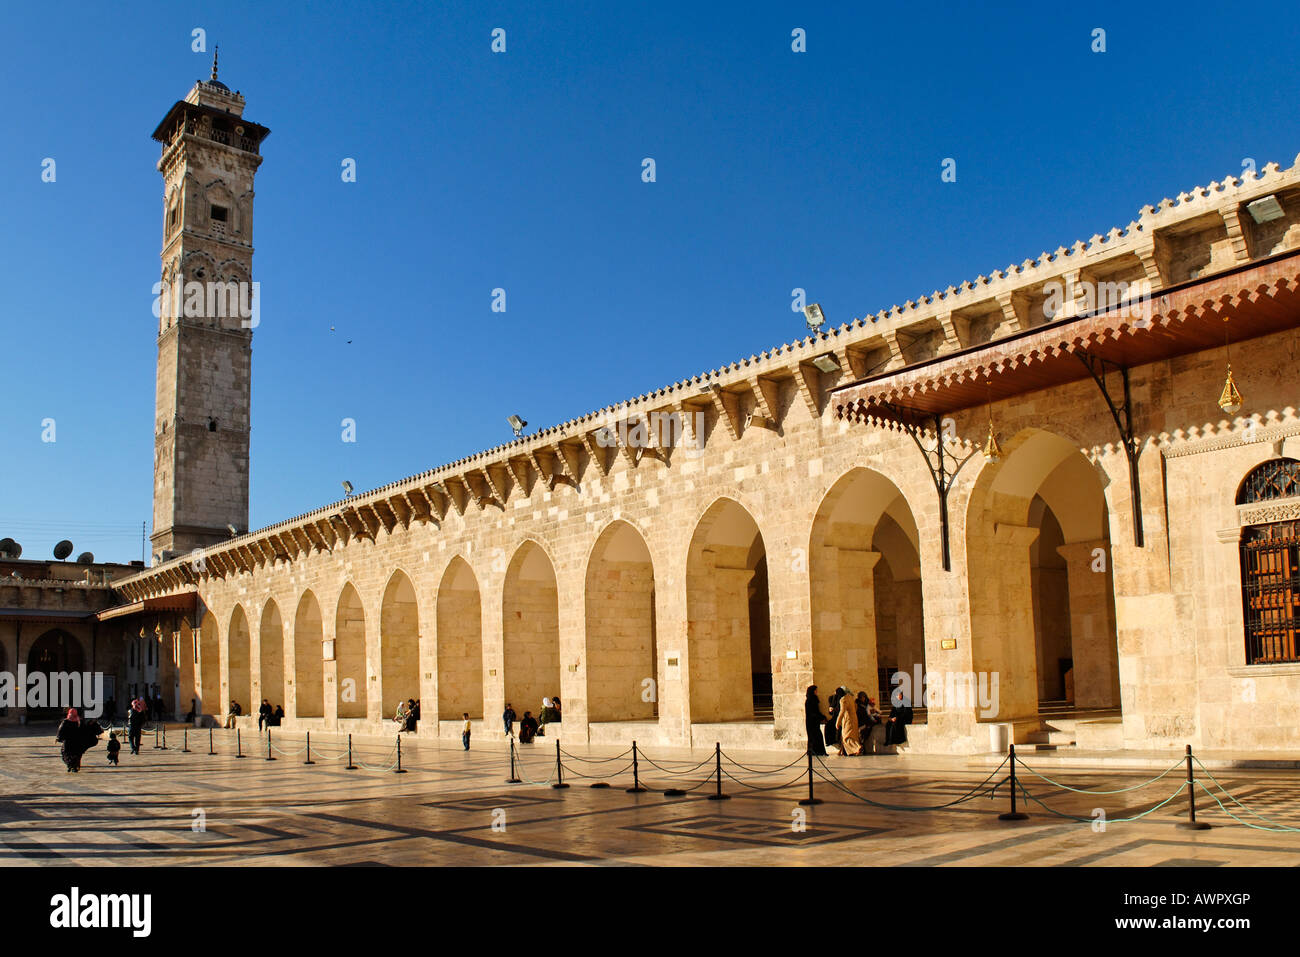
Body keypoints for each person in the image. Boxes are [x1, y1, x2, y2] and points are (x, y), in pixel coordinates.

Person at [56, 708, 87, 772]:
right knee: (77, 754)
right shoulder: (80, 721)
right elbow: (84, 731)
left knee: (66, 753)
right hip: (78, 742)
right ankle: (75, 766)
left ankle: (71, 765)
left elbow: (60, 730)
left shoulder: (66, 721)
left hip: (68, 741)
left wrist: (58, 738)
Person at [836, 687, 862, 756]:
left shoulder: (843, 699)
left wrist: (837, 722)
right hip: (854, 718)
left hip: (848, 719)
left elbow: (842, 711)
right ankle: (851, 751)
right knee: (853, 735)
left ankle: (857, 747)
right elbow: (855, 706)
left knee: (846, 736)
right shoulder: (850, 697)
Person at [805, 685, 827, 756]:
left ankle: (818, 751)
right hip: (812, 721)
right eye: (815, 690)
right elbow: (814, 711)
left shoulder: (811, 699)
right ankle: (815, 751)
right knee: (814, 736)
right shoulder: (811, 700)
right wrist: (821, 717)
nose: (816, 692)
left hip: (813, 721)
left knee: (816, 736)